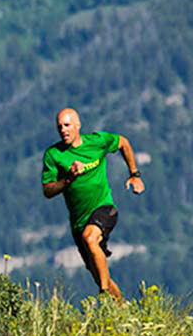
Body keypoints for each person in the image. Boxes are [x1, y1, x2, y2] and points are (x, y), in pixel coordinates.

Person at [41, 108, 144, 301]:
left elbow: (123, 142)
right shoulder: (53, 155)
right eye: (59, 127)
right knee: (99, 274)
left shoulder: (97, 142)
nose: (63, 130)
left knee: (90, 238)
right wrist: (68, 179)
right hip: (78, 222)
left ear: (78, 125)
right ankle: (122, 308)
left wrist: (134, 174)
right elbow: (47, 190)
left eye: (67, 125)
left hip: (103, 207)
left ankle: (103, 296)